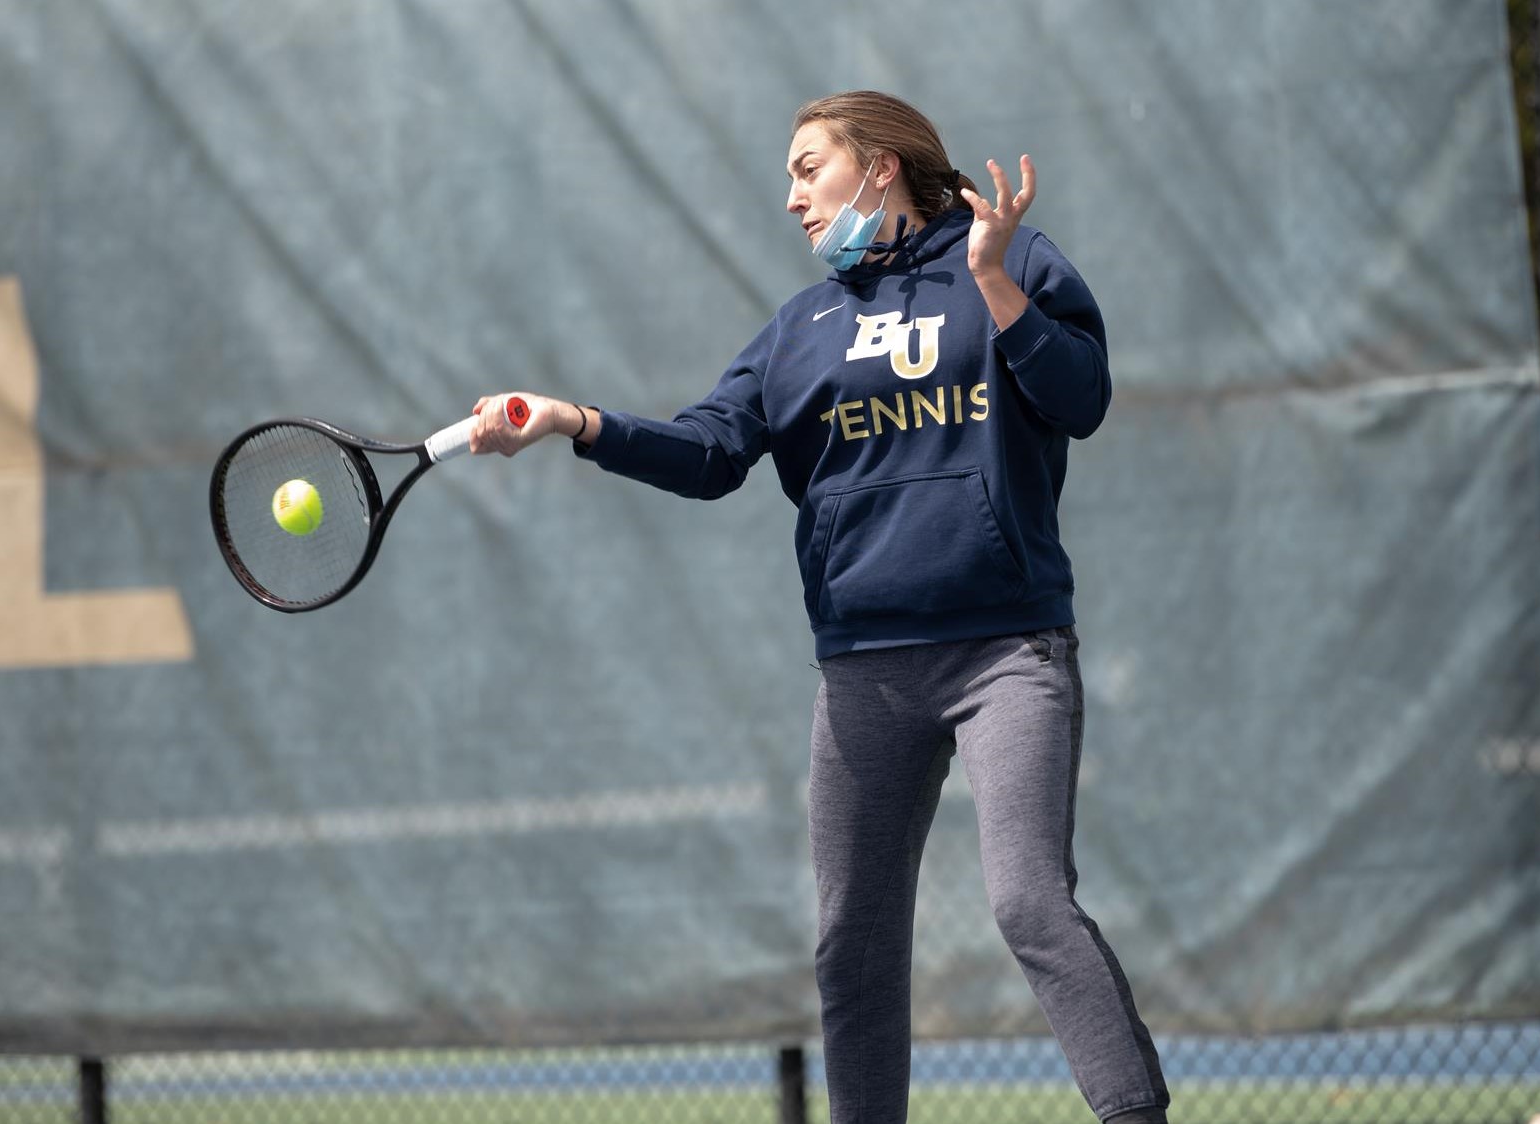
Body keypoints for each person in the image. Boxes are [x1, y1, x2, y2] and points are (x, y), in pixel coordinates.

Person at [469, 90, 1169, 1124]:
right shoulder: (799, 329)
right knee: (852, 939)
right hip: (863, 671)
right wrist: (573, 421)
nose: (790, 194)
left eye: (808, 167)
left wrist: (990, 281)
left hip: (1005, 652)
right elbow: (708, 455)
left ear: (878, 165)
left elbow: (1082, 400)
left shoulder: (1011, 261)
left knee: (1027, 899)